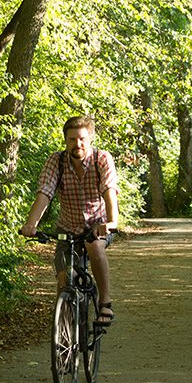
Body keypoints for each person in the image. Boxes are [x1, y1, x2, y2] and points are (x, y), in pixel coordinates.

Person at [19, 116, 120, 325]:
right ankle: (64, 333)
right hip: (68, 228)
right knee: (64, 277)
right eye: (72, 139)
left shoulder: (101, 159)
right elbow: (45, 193)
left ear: (90, 139)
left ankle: (105, 303)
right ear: (65, 140)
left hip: (97, 226)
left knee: (94, 247)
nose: (77, 144)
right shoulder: (56, 161)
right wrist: (31, 224)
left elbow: (109, 191)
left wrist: (111, 222)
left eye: (82, 139)